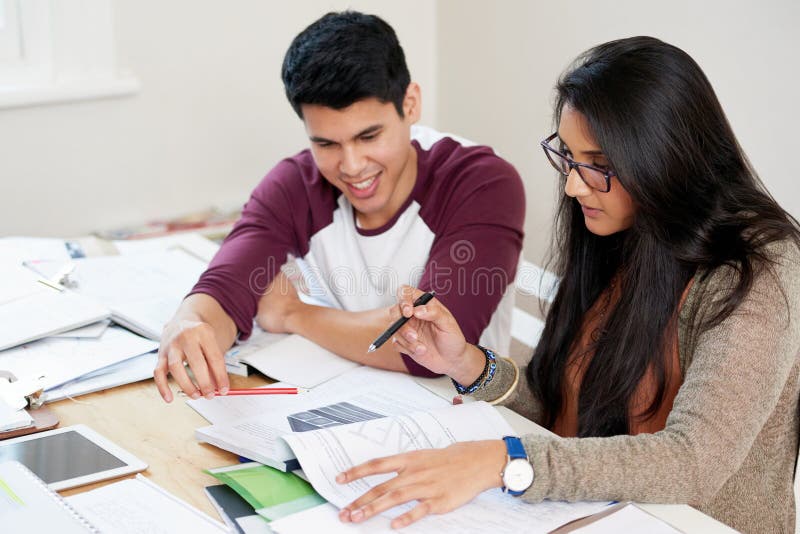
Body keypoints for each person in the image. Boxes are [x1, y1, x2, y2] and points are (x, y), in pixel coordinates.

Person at [335, 36, 800, 533]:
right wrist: (464, 362)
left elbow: (692, 460)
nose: (574, 186)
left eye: (599, 166)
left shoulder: (761, 268)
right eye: (570, 158)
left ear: (666, 158)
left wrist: (502, 462)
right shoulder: (618, 232)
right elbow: (552, 401)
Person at [153, 11, 525, 403]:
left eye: (369, 136)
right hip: (347, 400)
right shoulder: (295, 183)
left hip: (460, 415)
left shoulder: (481, 182)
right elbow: (228, 289)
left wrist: (296, 315)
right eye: (326, 144)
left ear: (410, 104)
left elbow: (430, 344)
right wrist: (191, 322)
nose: (351, 166)